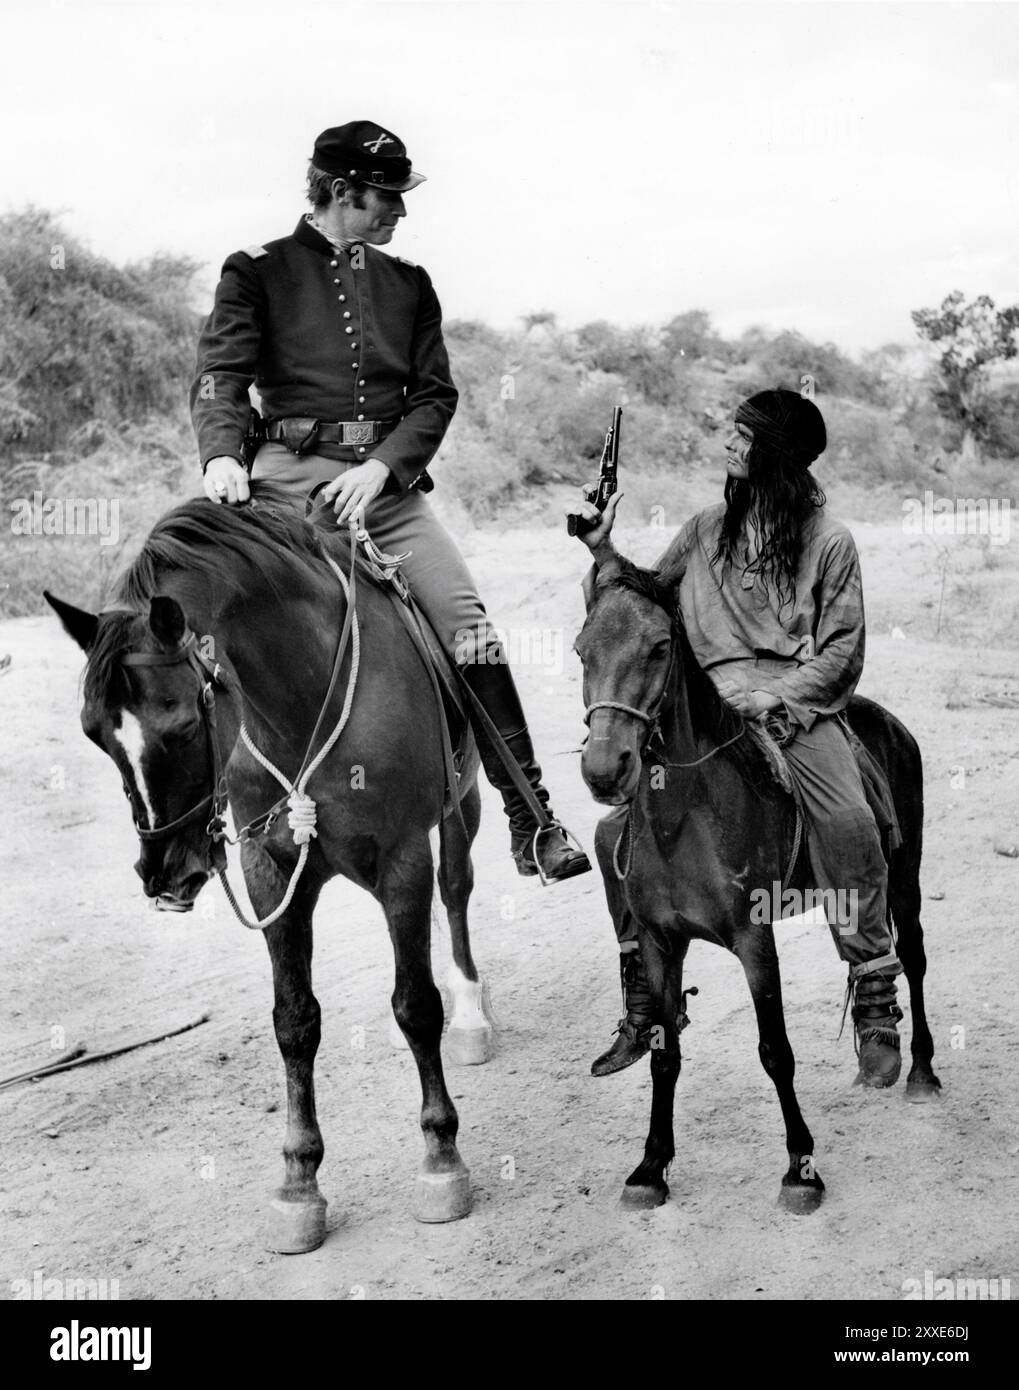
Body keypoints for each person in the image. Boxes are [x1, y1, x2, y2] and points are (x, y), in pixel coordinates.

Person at [190, 119, 589, 884]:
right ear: (341, 192)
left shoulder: (410, 284)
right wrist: (219, 457)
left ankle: (529, 816)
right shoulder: (256, 271)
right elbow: (220, 377)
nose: (398, 213)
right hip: (285, 479)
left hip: (385, 491)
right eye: (386, 198)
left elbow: (434, 395)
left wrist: (380, 469)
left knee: (467, 627)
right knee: (208, 628)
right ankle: (199, 829)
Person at [571, 389, 904, 1085]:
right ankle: (643, 998)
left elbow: (841, 652)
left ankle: (874, 997)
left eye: (739, 435)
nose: (725, 444)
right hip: (700, 706)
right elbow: (641, 598)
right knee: (611, 839)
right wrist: (601, 547)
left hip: (792, 706)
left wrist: (773, 692)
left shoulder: (829, 541)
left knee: (847, 823)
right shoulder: (702, 529)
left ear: (772, 455)